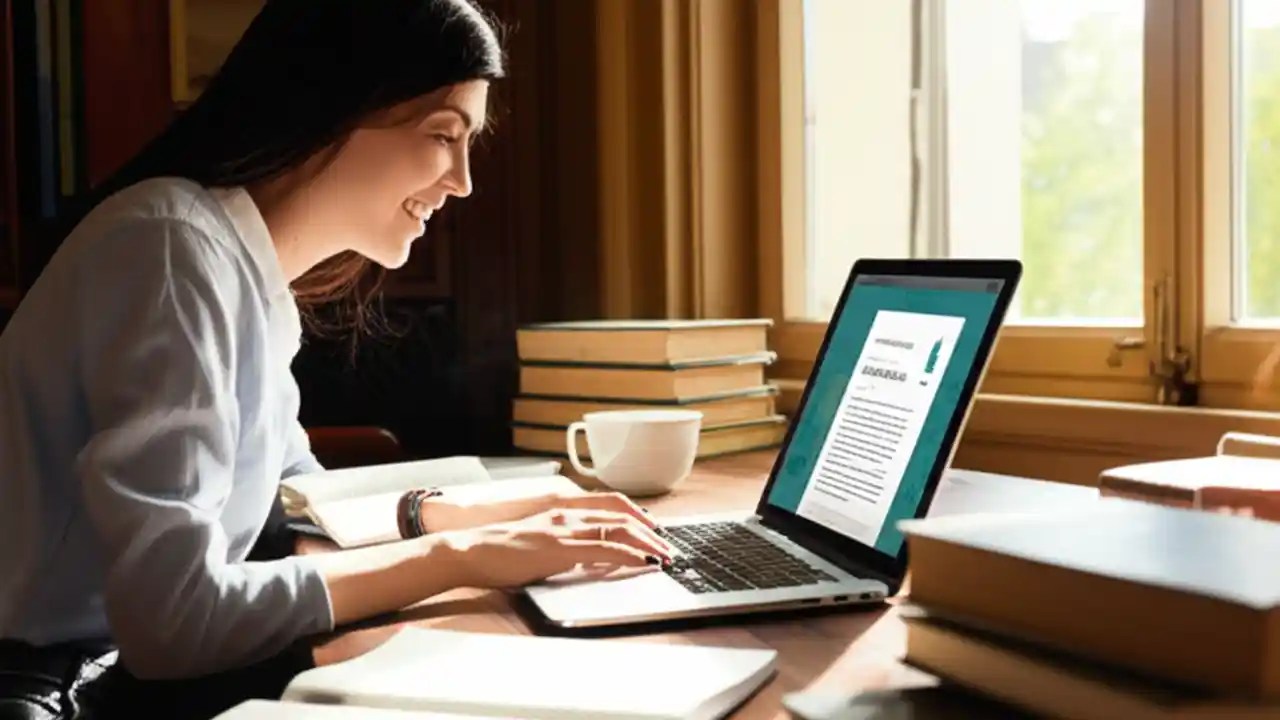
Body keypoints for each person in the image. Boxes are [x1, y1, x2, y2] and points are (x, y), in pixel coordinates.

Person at [0, 1, 673, 718]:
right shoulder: (171, 251)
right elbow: (172, 621)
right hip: (54, 684)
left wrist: (481, 518)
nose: (463, 180)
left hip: (106, 669)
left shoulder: (240, 269)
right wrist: (470, 556)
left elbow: (296, 498)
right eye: (444, 135)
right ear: (333, 107)